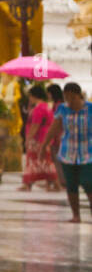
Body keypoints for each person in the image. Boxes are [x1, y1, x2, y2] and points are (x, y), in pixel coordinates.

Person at [45, 82, 92, 223]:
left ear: (79, 95)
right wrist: (44, 145)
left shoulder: (90, 109)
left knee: (88, 182)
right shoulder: (62, 109)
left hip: (88, 153)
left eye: (72, 97)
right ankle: (76, 215)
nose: (69, 101)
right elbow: (54, 128)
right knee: (71, 185)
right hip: (67, 153)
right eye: (66, 98)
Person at [20, 83, 59, 191]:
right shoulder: (45, 107)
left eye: (30, 96)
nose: (30, 99)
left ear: (34, 96)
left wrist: (28, 139)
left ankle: (28, 184)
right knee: (44, 160)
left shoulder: (39, 109)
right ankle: (51, 183)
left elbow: (35, 126)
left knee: (34, 160)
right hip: (45, 138)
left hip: (38, 139)